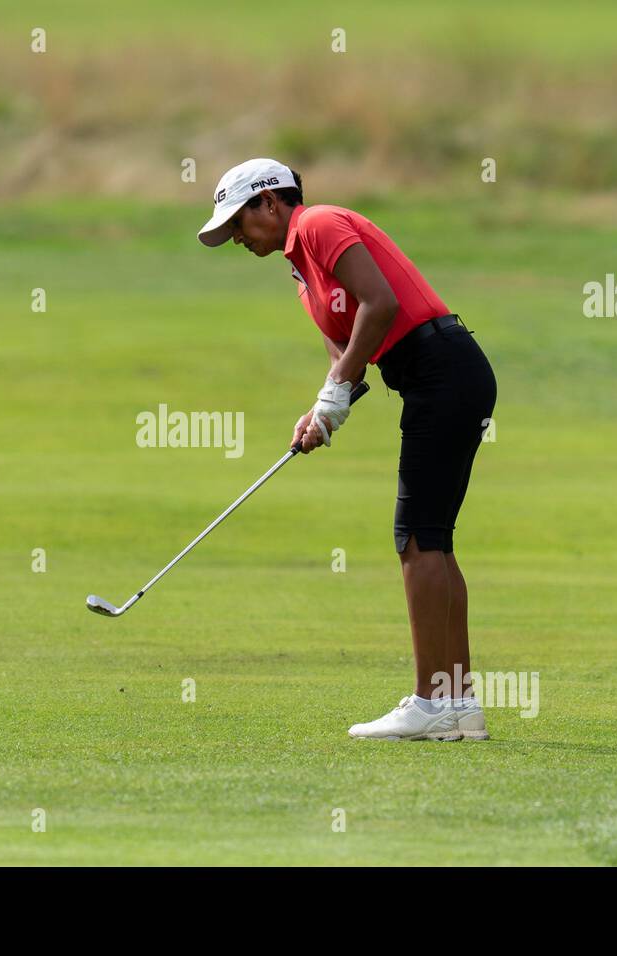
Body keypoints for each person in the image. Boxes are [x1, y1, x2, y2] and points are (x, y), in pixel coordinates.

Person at [198, 158, 498, 741]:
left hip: (446, 368)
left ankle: (431, 702)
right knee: (431, 539)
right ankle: (457, 702)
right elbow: (347, 365)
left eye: (240, 221)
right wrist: (322, 409)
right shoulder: (301, 276)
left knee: (415, 539)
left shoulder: (319, 224)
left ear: (270, 203)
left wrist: (333, 394)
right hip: (430, 380)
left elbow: (380, 303)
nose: (237, 235)